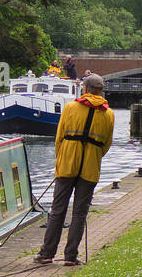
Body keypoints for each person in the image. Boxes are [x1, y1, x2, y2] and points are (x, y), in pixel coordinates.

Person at [35, 73, 114, 266]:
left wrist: (61, 159)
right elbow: (106, 144)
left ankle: (47, 253)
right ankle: (71, 256)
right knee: (79, 213)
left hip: (67, 164)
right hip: (90, 166)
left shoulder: (70, 107)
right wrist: (93, 156)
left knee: (57, 210)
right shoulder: (108, 114)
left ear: (85, 89)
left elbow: (59, 138)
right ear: (101, 91)